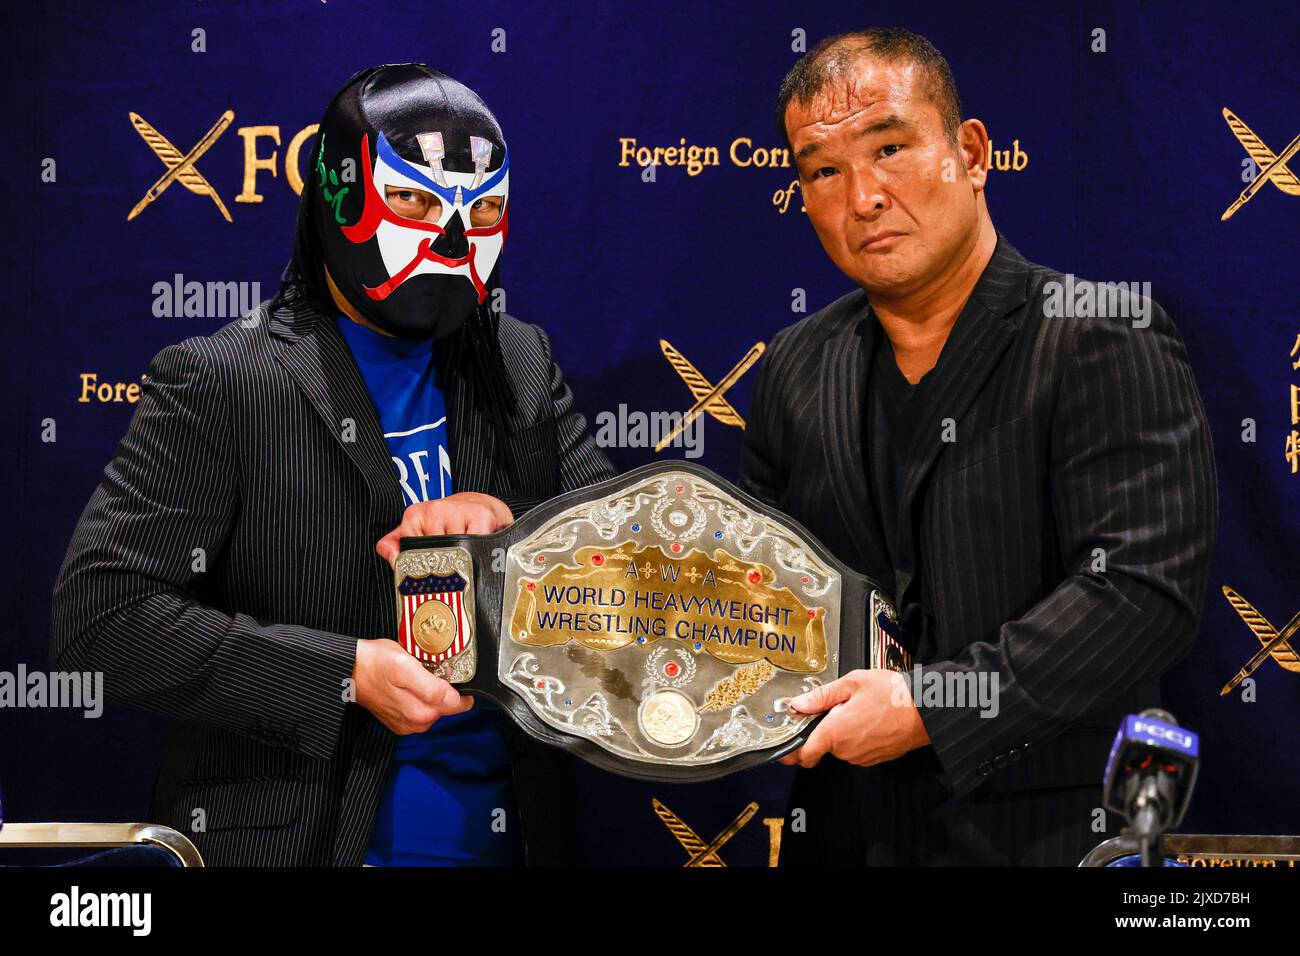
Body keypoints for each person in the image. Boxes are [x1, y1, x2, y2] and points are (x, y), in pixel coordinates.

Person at [50, 63, 614, 866]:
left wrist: (515, 534)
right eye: (414, 200)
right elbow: (101, 621)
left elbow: (629, 583)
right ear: (338, 194)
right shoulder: (226, 377)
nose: (451, 237)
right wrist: (343, 674)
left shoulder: (519, 361)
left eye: (482, 208)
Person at [739, 28, 1218, 865]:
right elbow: (768, 597)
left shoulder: (1098, 333)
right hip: (845, 833)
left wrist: (930, 707)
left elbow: (1143, 594)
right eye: (822, 169)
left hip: (1054, 838)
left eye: (889, 147)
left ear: (971, 151)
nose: (863, 196)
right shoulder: (792, 367)